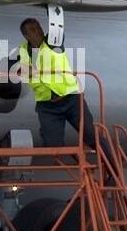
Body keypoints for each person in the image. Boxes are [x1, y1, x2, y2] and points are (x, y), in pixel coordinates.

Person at [17, 18, 97, 148]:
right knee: (52, 145)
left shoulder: (52, 42)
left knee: (91, 135)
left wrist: (53, 9)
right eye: (32, 29)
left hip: (71, 98)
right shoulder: (23, 50)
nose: (37, 30)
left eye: (38, 27)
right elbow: (20, 69)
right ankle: (71, 160)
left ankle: (110, 160)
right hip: (47, 105)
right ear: (26, 35)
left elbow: (57, 28)